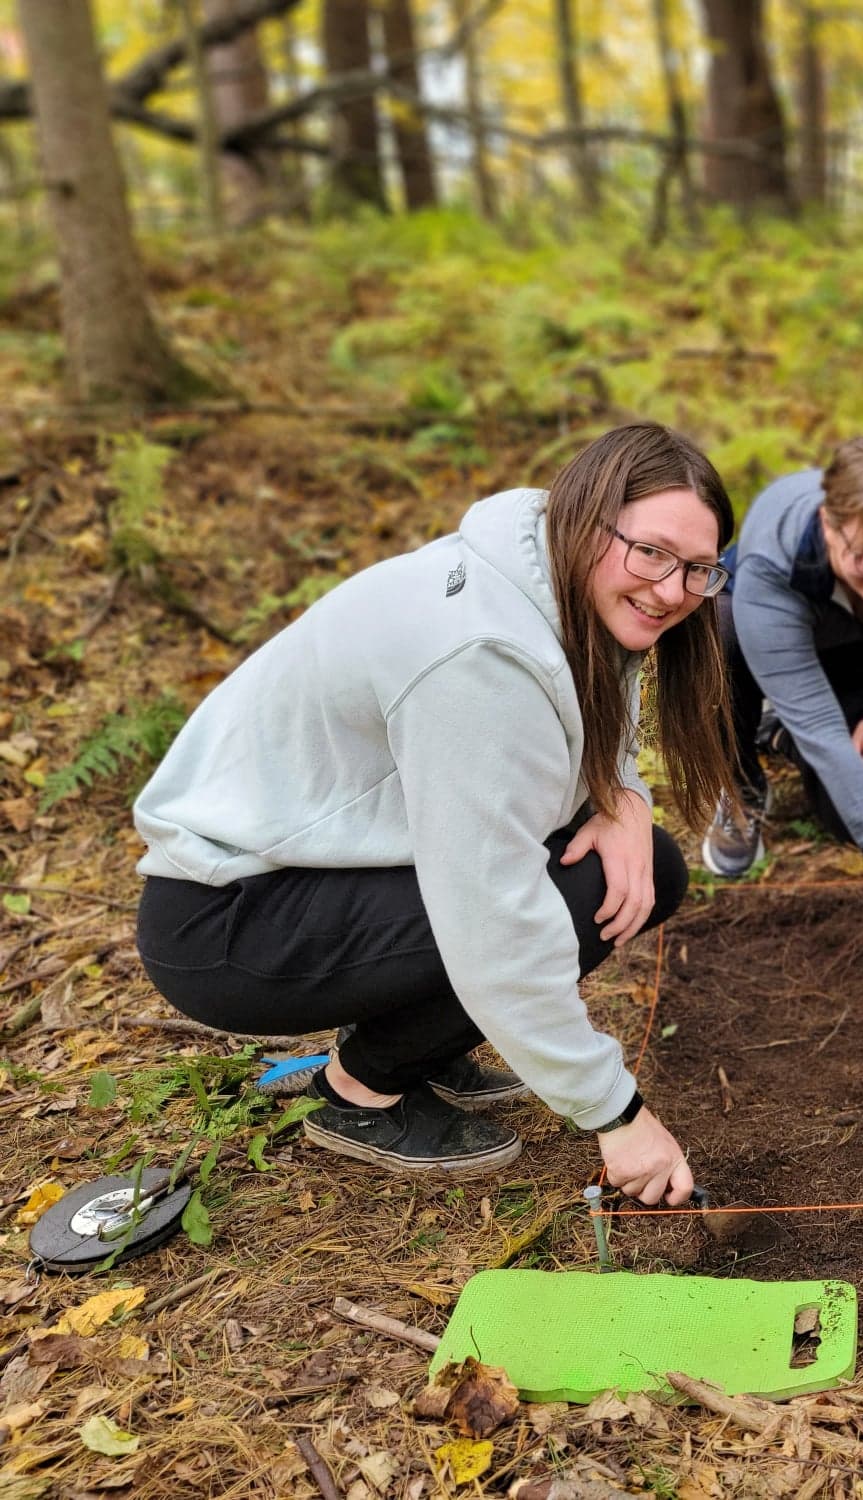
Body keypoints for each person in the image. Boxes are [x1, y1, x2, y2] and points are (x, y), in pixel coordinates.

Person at [133, 423, 733, 1205]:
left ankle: (412, 1042)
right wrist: (615, 1113)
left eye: (697, 569)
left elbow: (584, 727)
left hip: (325, 872)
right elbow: (492, 916)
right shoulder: (479, 652)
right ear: (588, 519)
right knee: (570, 897)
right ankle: (361, 1091)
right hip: (228, 919)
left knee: (641, 864)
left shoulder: (554, 580)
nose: (671, 590)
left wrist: (620, 795)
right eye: (651, 553)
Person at [701, 436, 863, 961]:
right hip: (766, 633)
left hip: (862, 643)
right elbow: (824, 732)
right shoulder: (772, 568)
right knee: (719, 632)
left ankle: (783, 727)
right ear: (829, 526)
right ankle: (741, 781)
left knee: (854, 819)